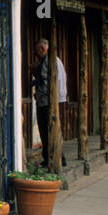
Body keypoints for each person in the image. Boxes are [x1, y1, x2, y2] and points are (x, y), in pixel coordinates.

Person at [31, 38, 67, 168]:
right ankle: (60, 157)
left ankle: (49, 159)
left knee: (46, 132)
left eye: (37, 51)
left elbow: (47, 83)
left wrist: (38, 94)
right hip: (59, 100)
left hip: (47, 102)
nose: (36, 54)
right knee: (55, 130)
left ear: (42, 49)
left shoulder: (47, 61)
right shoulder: (57, 60)